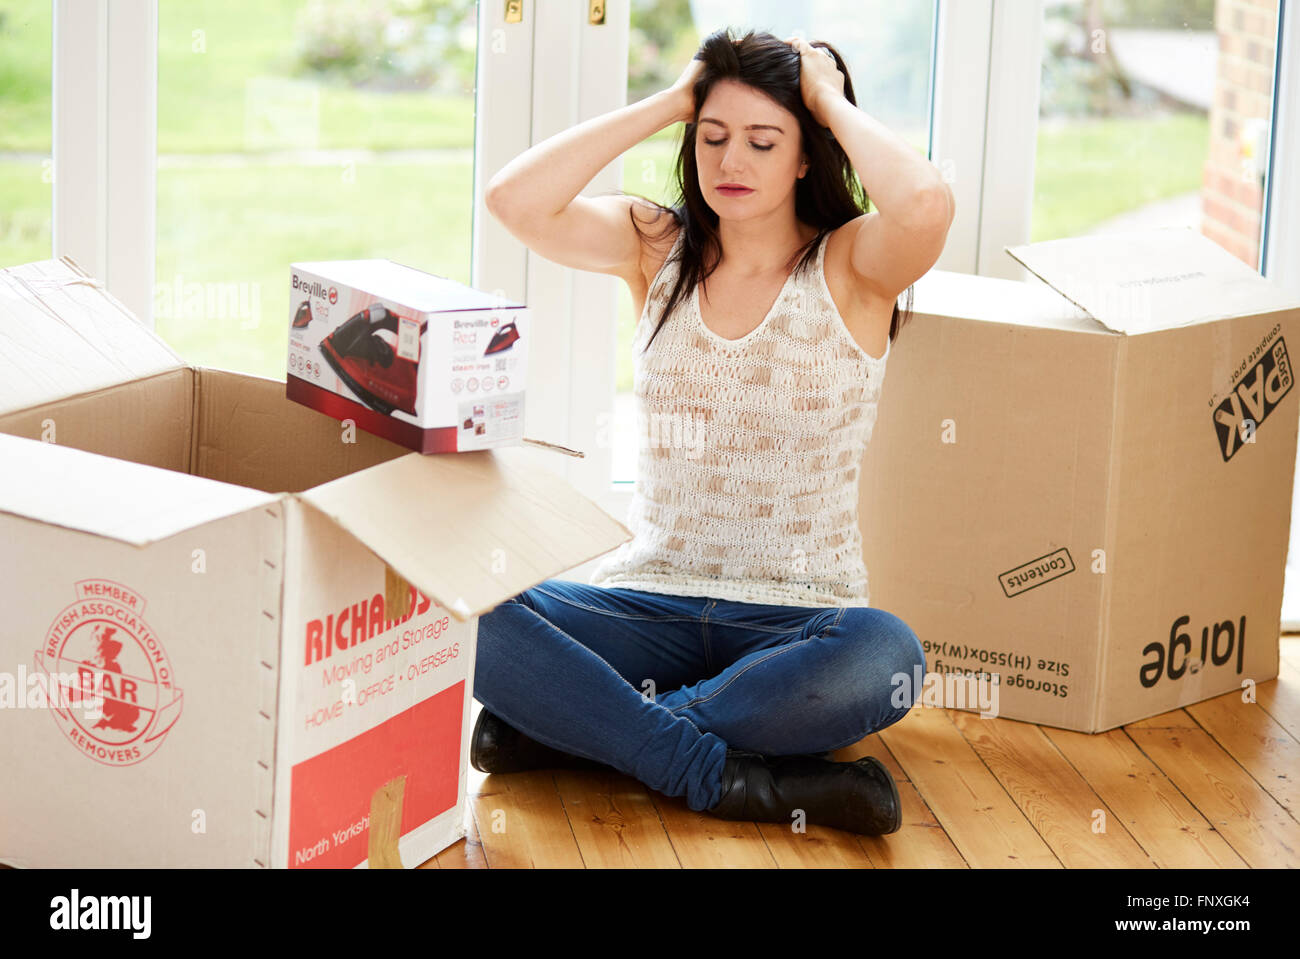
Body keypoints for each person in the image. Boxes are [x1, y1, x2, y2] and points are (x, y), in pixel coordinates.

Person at [475, 27, 954, 837]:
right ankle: (717, 770)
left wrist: (827, 98)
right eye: (712, 137)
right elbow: (513, 200)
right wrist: (673, 97)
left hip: (799, 620)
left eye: (764, 142)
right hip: (645, 602)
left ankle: (588, 731)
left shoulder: (854, 265)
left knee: (889, 658)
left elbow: (926, 203)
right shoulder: (654, 247)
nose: (732, 162)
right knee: (471, 606)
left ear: (808, 155)